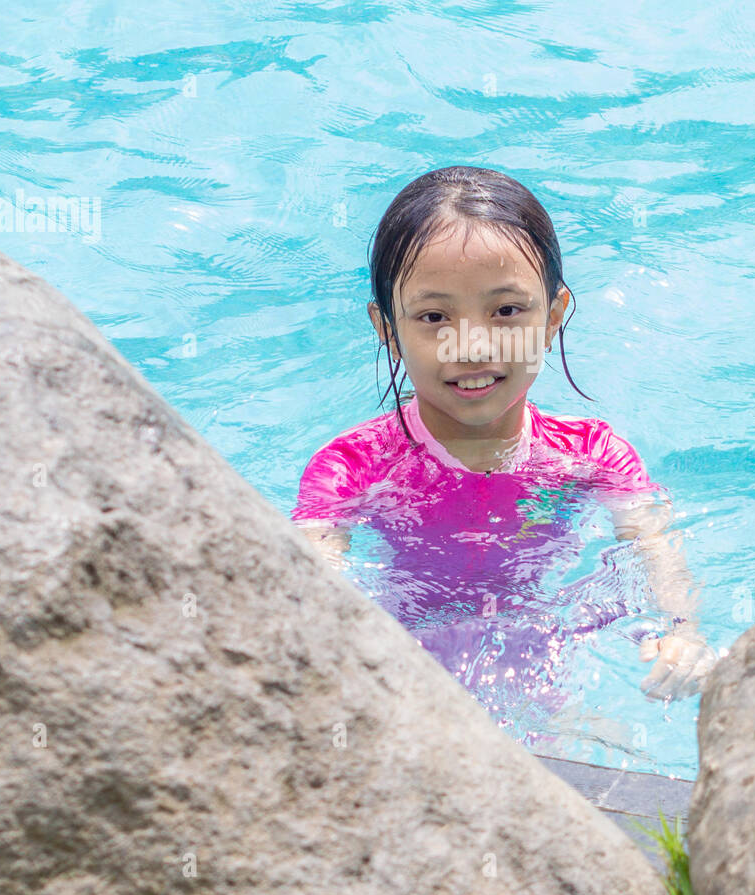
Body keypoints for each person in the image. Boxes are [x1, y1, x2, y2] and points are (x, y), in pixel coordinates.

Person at [291, 165, 716, 708]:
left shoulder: (591, 455)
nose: (471, 346)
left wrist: (682, 631)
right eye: (435, 315)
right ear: (388, 331)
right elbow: (313, 578)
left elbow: (654, 547)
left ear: (554, 316)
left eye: (507, 310)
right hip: (402, 677)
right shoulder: (352, 466)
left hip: (551, 666)